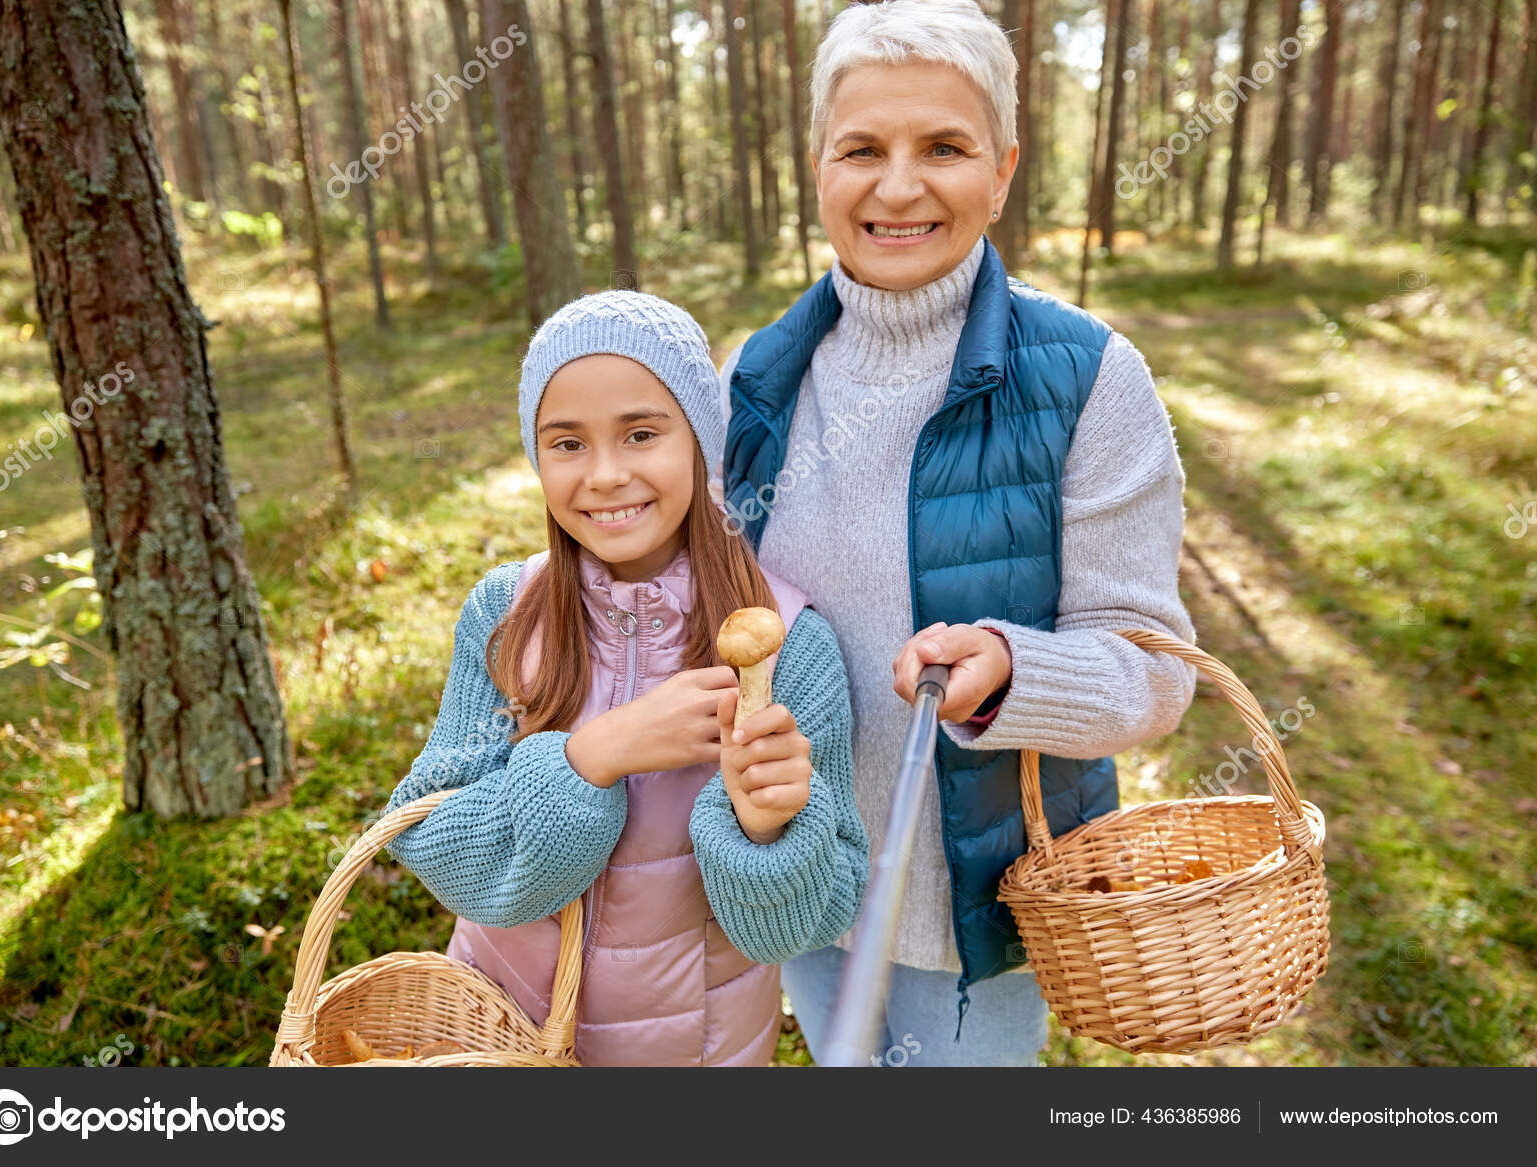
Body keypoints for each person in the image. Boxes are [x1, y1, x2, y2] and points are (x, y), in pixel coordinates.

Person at [717, 0, 1198, 1066]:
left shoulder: (1086, 378)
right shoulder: (753, 380)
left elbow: (1155, 675)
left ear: (1003, 167)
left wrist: (1012, 673)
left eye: (943, 146)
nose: (897, 186)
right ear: (816, 166)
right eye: (862, 149)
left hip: (975, 907)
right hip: (804, 872)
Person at [383, 290, 869, 1066]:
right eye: (567, 443)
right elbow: (432, 837)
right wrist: (592, 755)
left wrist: (766, 827)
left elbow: (804, 926)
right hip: (500, 1041)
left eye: (641, 433)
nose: (606, 475)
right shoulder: (507, 619)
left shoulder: (786, 647)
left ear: (700, 442)